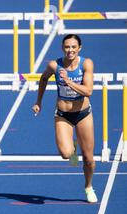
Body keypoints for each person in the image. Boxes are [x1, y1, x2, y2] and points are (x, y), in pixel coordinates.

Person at [32, 34, 97, 203]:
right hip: (63, 114)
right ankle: (73, 146)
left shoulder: (86, 63)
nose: (70, 50)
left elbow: (88, 91)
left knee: (88, 159)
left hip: (83, 114)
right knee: (66, 153)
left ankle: (88, 186)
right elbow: (43, 78)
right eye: (67, 47)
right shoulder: (54, 65)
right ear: (63, 48)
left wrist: (69, 82)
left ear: (79, 48)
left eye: (74, 47)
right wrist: (38, 101)